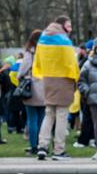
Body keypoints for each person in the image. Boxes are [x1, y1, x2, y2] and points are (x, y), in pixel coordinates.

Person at [32, 17, 78, 161]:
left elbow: (37, 60)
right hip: (63, 79)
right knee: (62, 115)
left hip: (48, 79)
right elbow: (72, 63)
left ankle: (42, 147)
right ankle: (59, 150)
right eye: (69, 26)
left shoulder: (43, 38)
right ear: (62, 25)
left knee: (49, 113)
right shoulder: (64, 41)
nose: (70, 28)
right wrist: (75, 80)